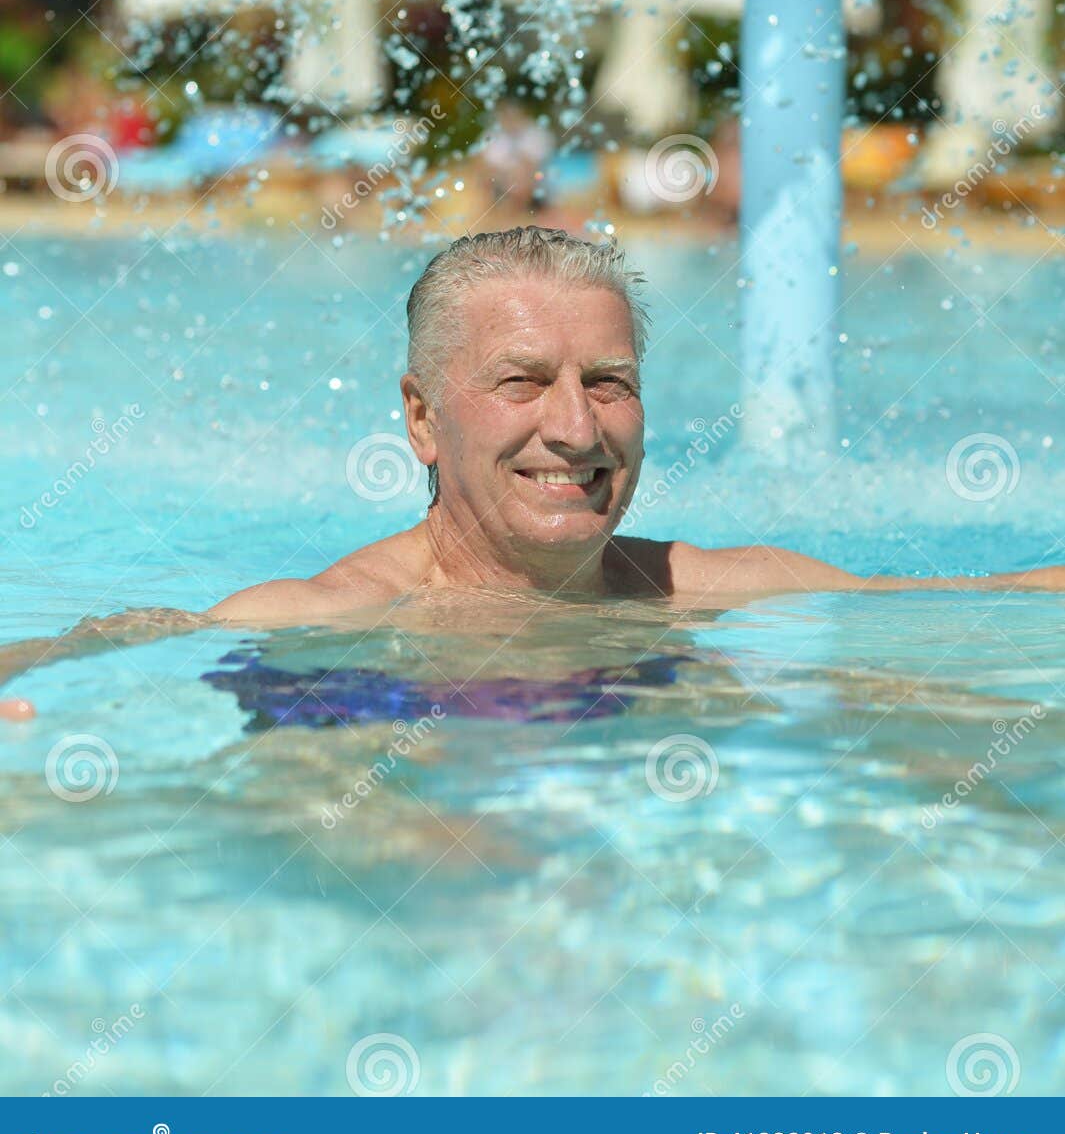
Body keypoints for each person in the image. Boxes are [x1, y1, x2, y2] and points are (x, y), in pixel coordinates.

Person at [1, 225, 1063, 719]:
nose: (575, 427)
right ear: (420, 417)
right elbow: (122, 642)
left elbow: (979, 604)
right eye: (522, 381)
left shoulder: (717, 590)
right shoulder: (327, 624)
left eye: (608, 381)